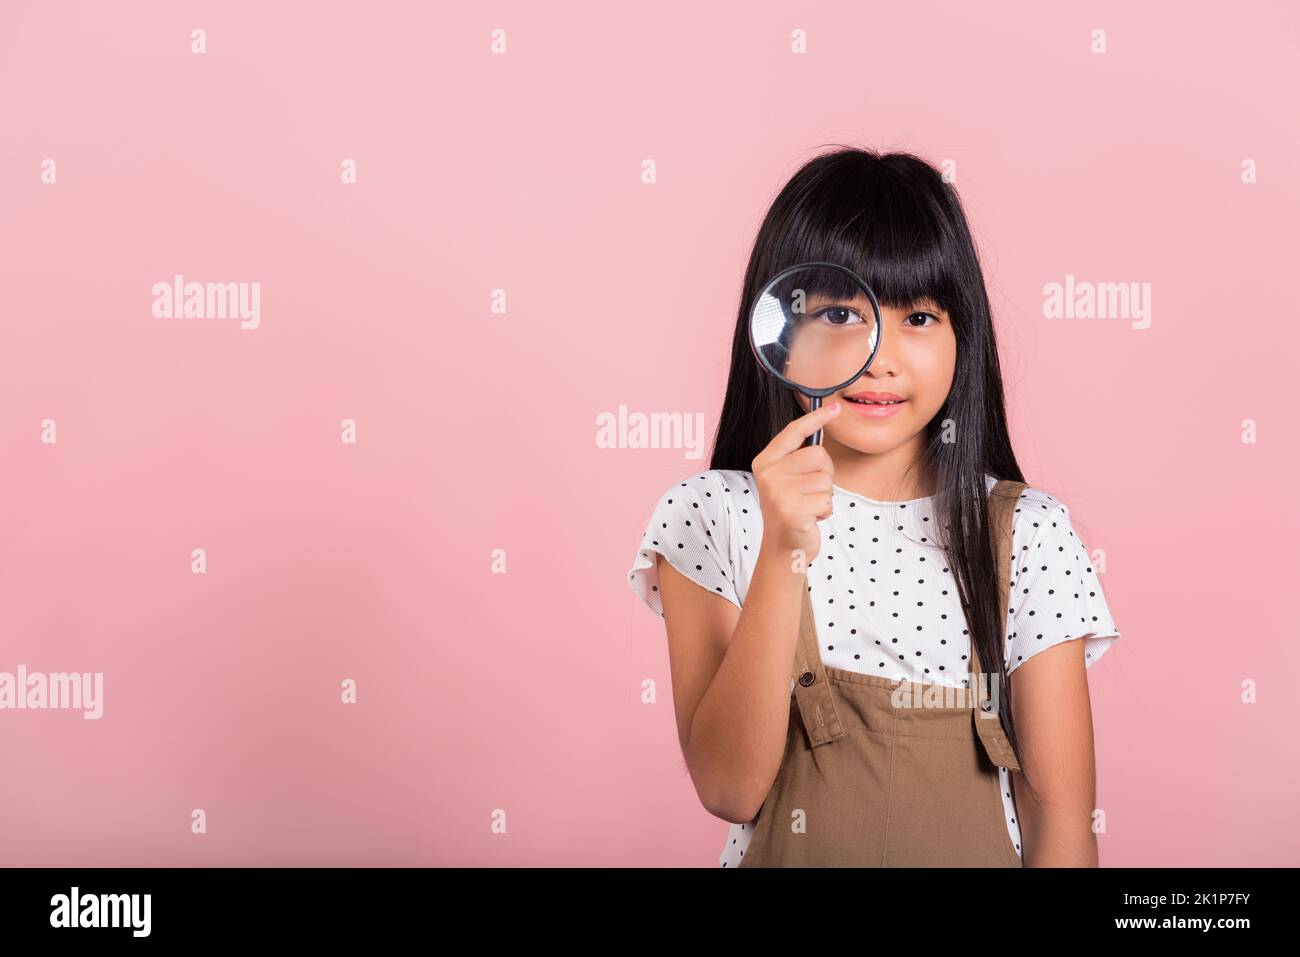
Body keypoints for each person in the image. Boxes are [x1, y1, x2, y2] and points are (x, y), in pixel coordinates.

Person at [625, 147, 1121, 867]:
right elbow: (729, 786)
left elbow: (1064, 826)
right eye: (838, 313)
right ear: (778, 332)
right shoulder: (710, 515)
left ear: (964, 335)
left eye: (918, 316)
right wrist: (782, 551)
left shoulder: (1027, 534)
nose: (880, 357)